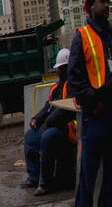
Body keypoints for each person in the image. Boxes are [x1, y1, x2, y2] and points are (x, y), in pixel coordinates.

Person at [65, 0, 112, 207]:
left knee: (111, 170)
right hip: (96, 117)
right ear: (90, 7)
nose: (106, 6)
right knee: (88, 174)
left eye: (108, 2)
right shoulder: (82, 36)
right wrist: (93, 104)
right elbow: (74, 77)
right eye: (102, 1)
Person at [24, 48, 77, 195]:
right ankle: (34, 176)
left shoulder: (74, 85)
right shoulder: (56, 87)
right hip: (53, 125)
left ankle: (45, 182)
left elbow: (66, 109)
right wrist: (36, 119)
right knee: (31, 136)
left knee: (47, 138)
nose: (60, 71)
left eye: (62, 68)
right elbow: (48, 106)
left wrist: (48, 123)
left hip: (67, 128)